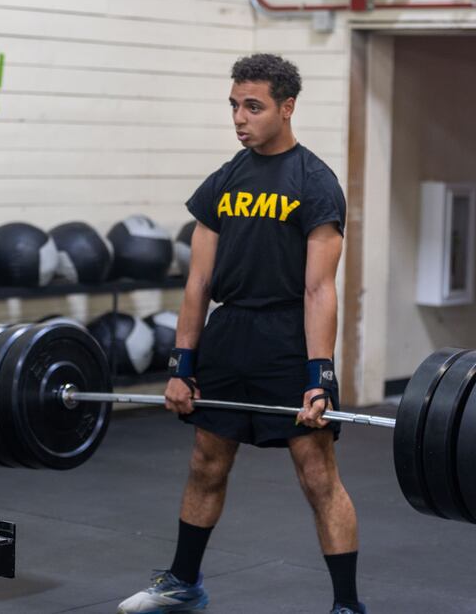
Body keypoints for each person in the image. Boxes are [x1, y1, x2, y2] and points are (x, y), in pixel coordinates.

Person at [117, 53, 365, 614]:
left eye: (253, 106)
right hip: (228, 333)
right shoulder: (224, 180)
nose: (240, 118)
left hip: (286, 338)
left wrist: (318, 378)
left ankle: (347, 605)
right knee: (207, 460)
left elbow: (319, 291)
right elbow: (198, 281)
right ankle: (183, 583)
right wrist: (180, 367)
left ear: (287, 107)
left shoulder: (315, 183)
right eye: (234, 105)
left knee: (318, 474)